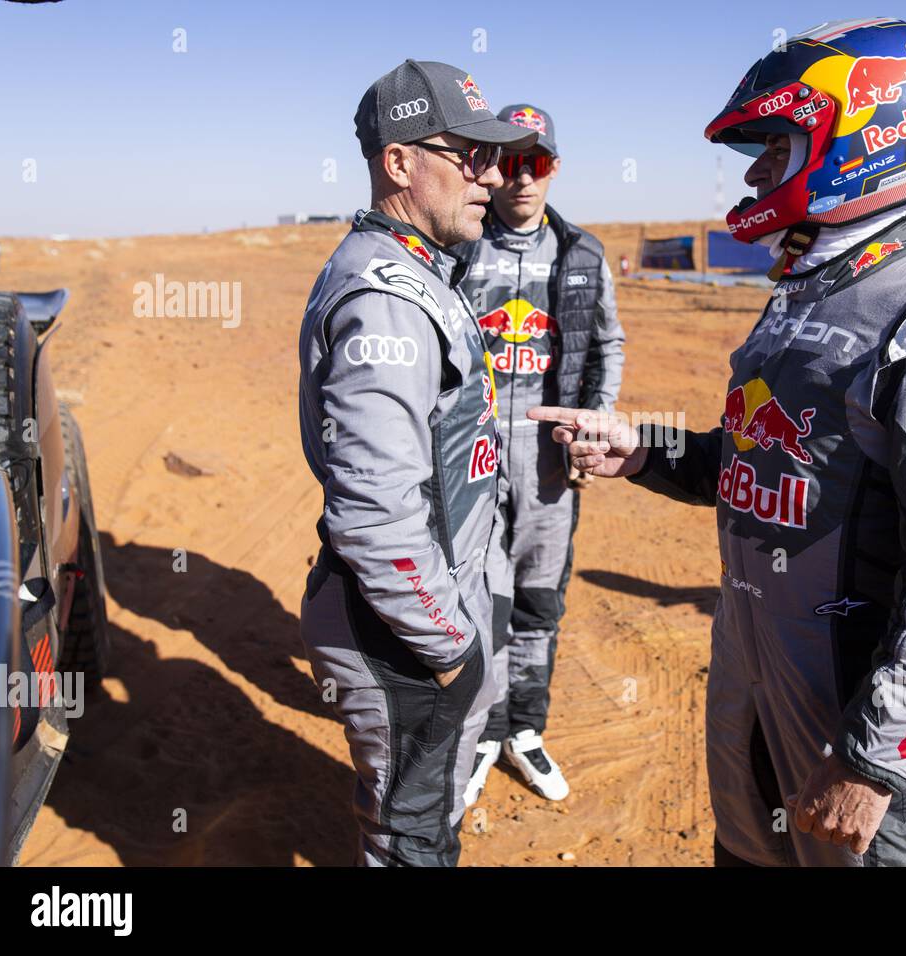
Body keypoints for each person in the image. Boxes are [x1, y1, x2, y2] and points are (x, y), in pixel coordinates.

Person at [533, 18, 906, 866]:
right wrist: (643, 449)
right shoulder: (802, 293)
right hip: (750, 692)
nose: (758, 169)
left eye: (779, 144)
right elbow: (756, 459)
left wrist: (875, 762)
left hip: (845, 729)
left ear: (870, 137)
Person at [296, 59, 536, 866]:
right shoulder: (389, 297)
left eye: (494, 156)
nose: (493, 175)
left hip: (424, 606)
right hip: (400, 628)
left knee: (421, 824)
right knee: (410, 842)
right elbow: (373, 512)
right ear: (399, 162)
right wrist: (452, 649)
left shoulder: (416, 267)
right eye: (469, 155)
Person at [454, 104, 625, 805]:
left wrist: (598, 422)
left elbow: (609, 344)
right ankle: (481, 732)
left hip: (549, 463)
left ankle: (524, 729)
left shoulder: (582, 253)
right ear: (492, 168)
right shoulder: (459, 246)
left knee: (538, 602)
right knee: (473, 599)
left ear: (554, 168)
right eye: (511, 162)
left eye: (539, 163)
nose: (523, 179)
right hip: (469, 455)